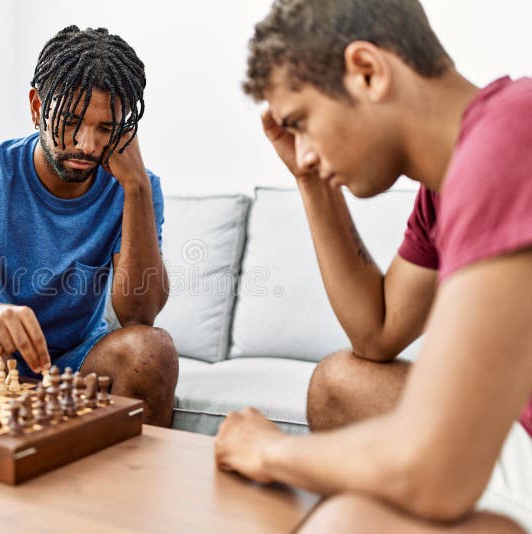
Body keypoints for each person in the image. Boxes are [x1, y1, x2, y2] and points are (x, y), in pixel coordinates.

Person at [214, 0, 532, 531]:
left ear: (367, 72)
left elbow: (435, 472)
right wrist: (309, 181)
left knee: (346, 523)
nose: (306, 151)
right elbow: (377, 331)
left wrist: (270, 451)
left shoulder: (508, 142)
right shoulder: (448, 179)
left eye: (302, 123)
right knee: (340, 383)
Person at [0, 26, 178, 426]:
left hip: (80, 359)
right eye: (71, 122)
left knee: (153, 351)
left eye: (106, 128)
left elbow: (140, 315)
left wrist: (134, 188)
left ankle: (131, 487)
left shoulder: (138, 186)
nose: (87, 144)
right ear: (36, 106)